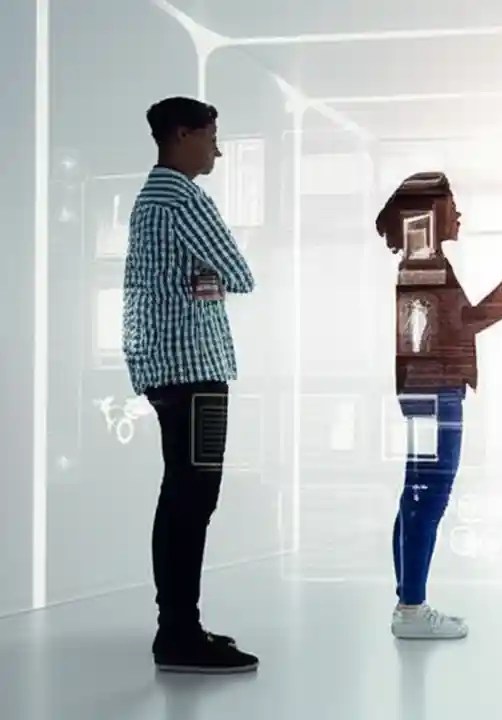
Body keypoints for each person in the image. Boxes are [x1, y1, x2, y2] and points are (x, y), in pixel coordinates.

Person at [377, 173, 502, 641]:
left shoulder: (424, 259)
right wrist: (501, 305)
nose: (459, 215)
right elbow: (440, 334)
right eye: (453, 206)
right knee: (427, 496)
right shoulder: (425, 262)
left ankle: (409, 601)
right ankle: (412, 608)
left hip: (426, 391)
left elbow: (449, 326)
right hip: (435, 391)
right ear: (433, 212)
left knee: (417, 494)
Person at [123, 96, 258, 673]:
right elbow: (242, 275)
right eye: (211, 137)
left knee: (180, 493)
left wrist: (202, 276)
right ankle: (178, 633)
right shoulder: (182, 198)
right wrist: (209, 277)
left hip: (165, 369)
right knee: (194, 497)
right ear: (182, 135)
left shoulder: (149, 198)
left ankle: (178, 625)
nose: (217, 151)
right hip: (197, 370)